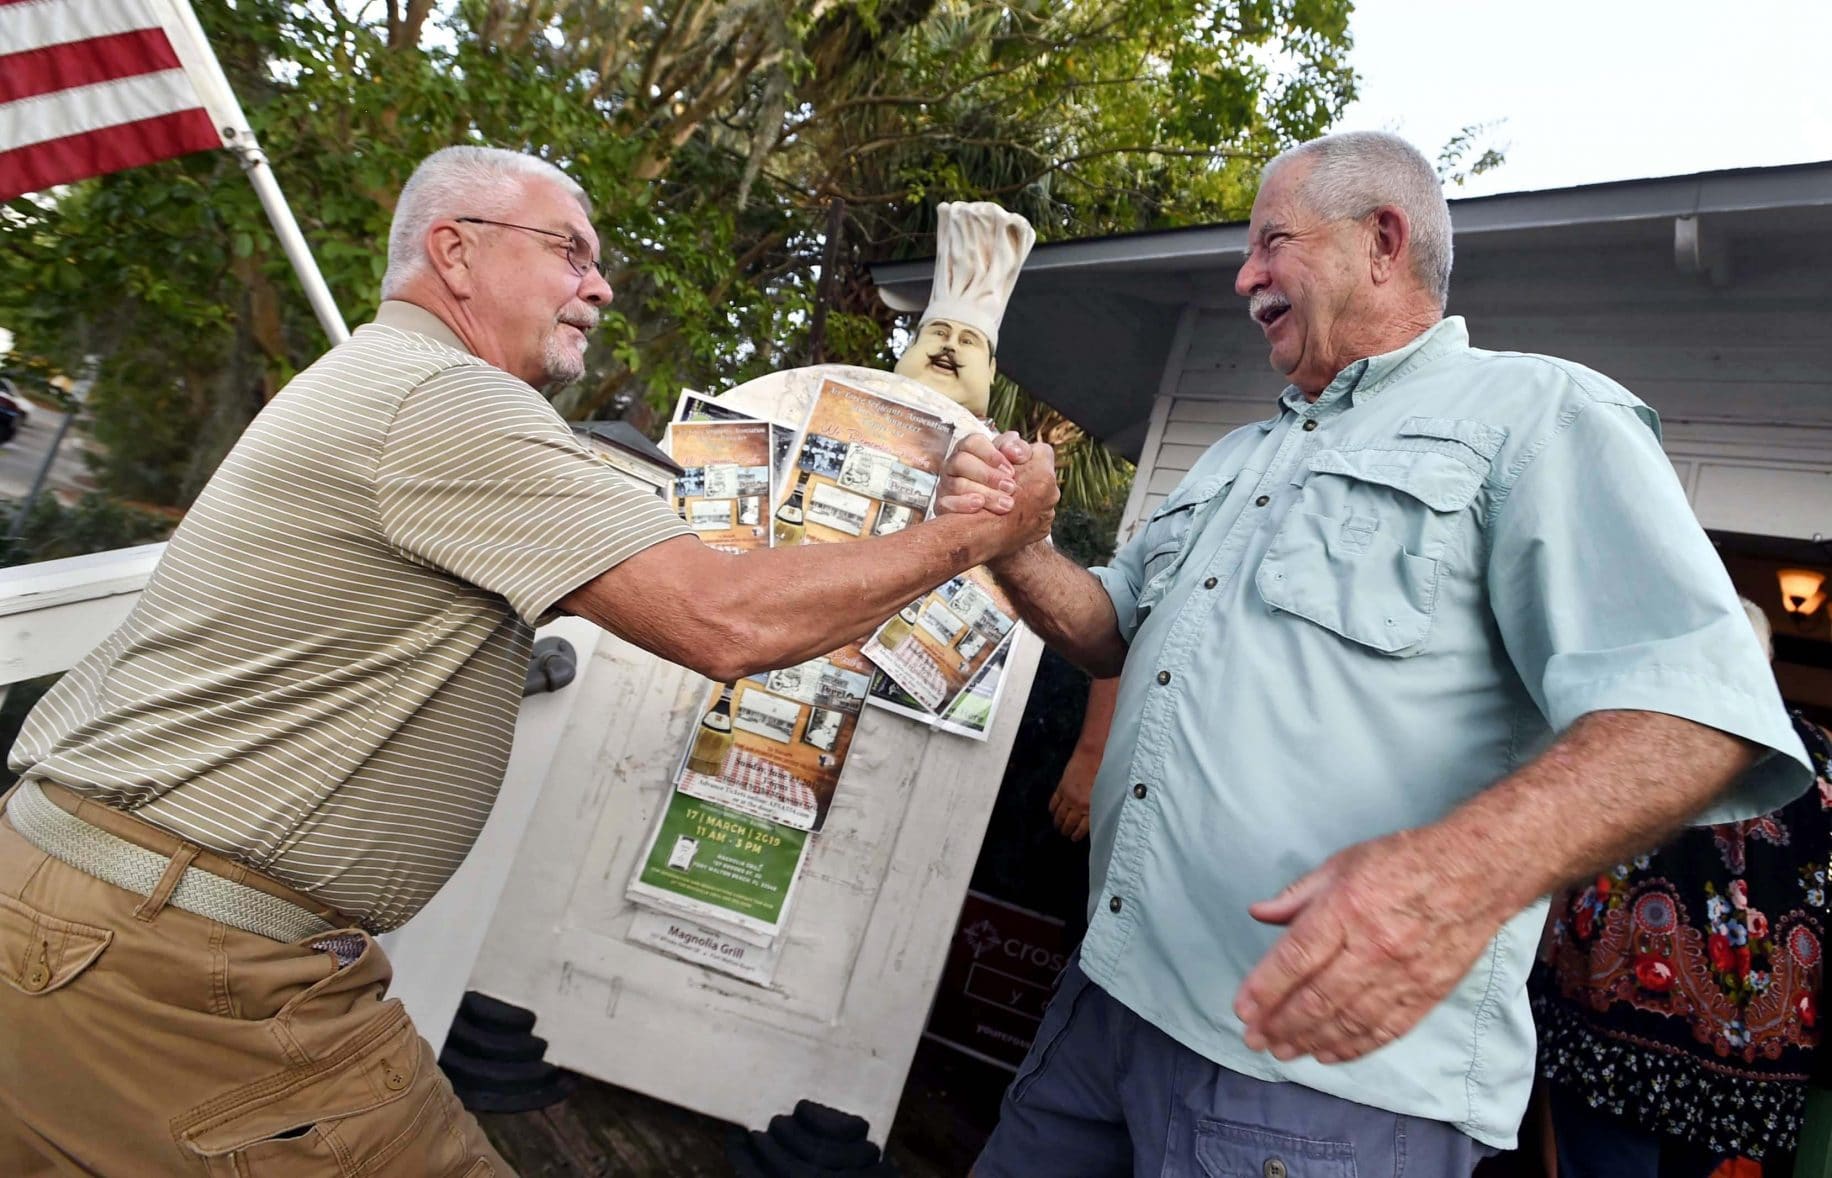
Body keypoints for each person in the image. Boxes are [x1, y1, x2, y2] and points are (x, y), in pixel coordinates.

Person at [0, 146, 1056, 1176]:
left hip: (84, 911)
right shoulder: (445, 398)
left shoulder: (374, 380)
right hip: (181, 970)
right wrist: (982, 533)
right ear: (454, 252)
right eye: (569, 250)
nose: (598, 285)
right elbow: (725, 620)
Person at [937, 130, 1814, 1176]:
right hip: (1108, 999)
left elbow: (1695, 705)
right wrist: (1020, 545)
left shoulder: (1535, 414)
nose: (1242, 274)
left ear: (1381, 240)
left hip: (1313, 1086)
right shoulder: (1234, 454)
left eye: (1269, 242)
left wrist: (1454, 877)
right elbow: (1108, 628)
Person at [1533, 598, 1832, 1176]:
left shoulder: (1643, 730)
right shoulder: (1818, 754)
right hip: (1751, 1057)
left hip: (1617, 1034)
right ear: (1767, 659)